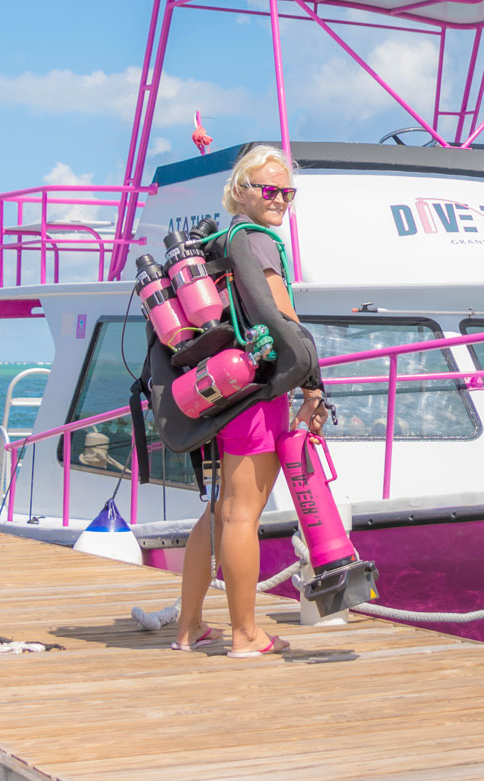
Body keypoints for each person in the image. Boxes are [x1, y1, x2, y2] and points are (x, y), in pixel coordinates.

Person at [171, 145, 327, 657]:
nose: (279, 199)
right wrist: (313, 386)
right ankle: (245, 635)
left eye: (287, 192)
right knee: (242, 514)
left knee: (218, 512)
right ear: (241, 191)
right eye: (269, 189)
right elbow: (285, 320)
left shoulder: (221, 240)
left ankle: (189, 628)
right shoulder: (257, 241)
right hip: (255, 396)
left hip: (219, 390)